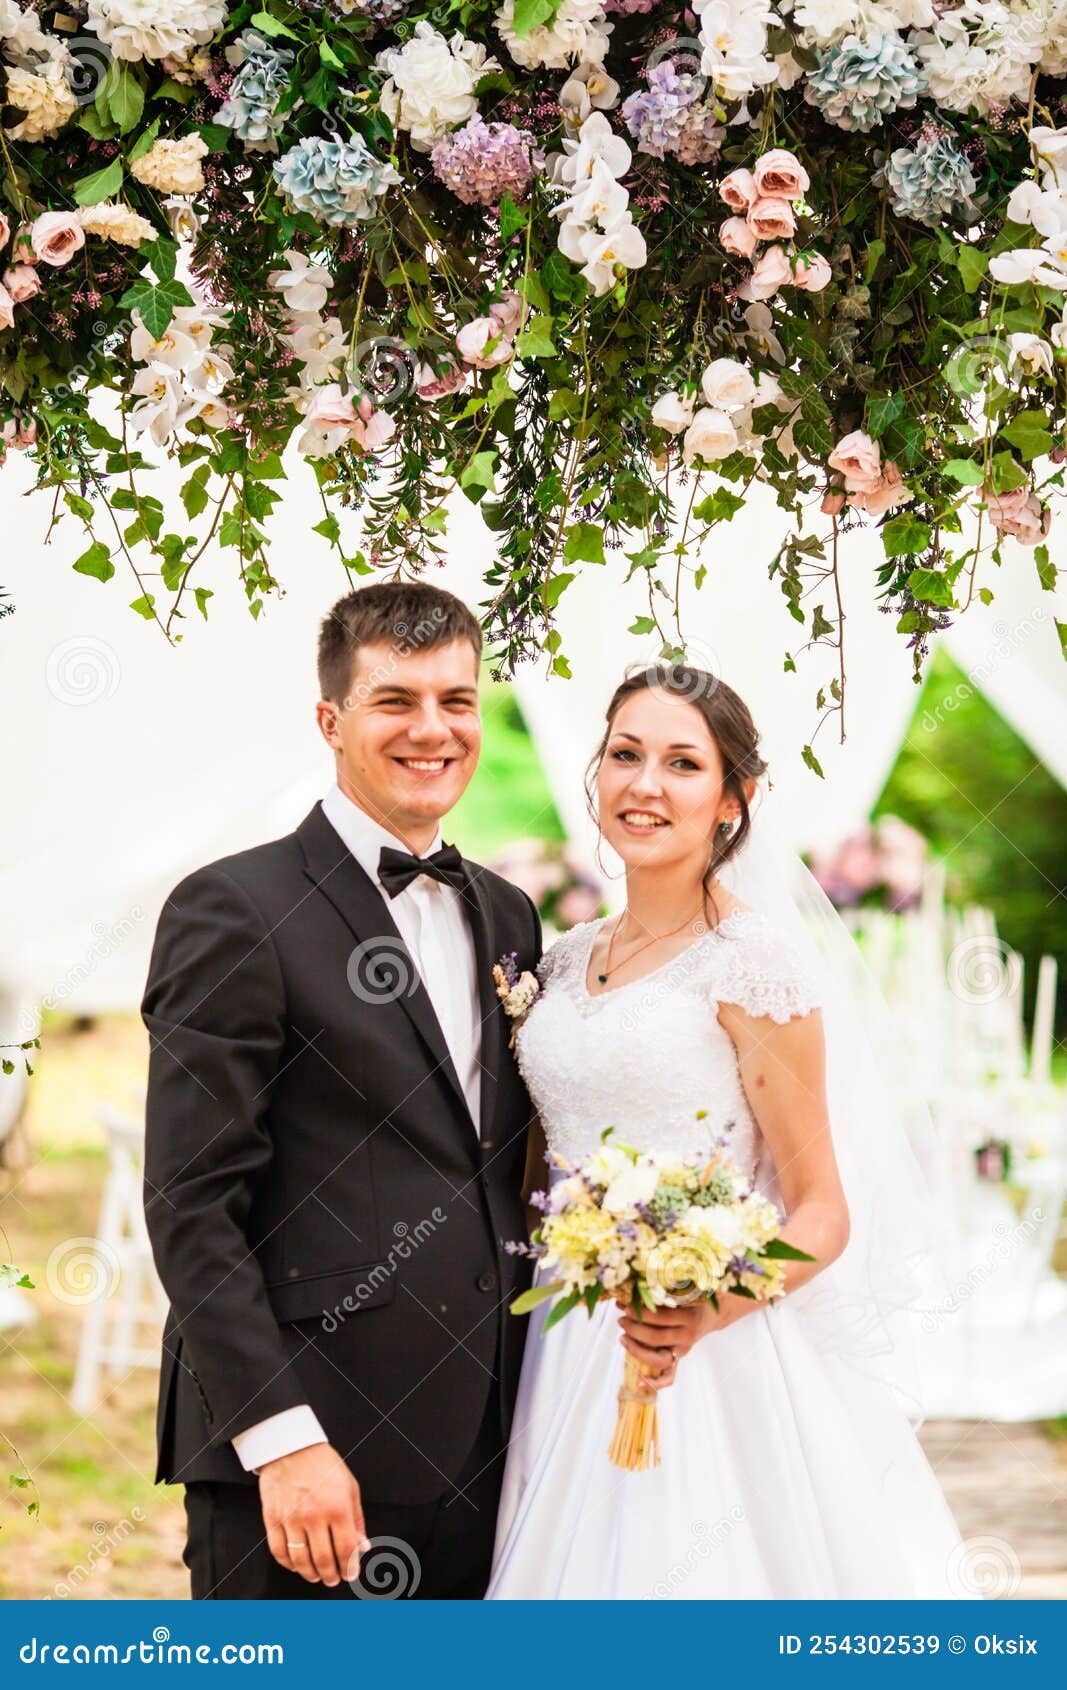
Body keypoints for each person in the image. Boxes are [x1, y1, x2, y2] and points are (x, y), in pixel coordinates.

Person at [487, 664, 971, 1600]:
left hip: (707, 1353)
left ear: (731, 799)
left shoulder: (753, 968)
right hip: (555, 1338)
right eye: (624, 755)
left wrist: (700, 1313)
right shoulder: (560, 957)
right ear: (595, 774)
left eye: (681, 763)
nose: (644, 786)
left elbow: (823, 1212)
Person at [142, 581, 539, 1599]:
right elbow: (191, 1203)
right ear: (331, 719)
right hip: (311, 1455)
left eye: (456, 699)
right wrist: (281, 1441)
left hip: (494, 1450)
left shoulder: (507, 915)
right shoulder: (233, 908)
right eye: (395, 700)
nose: (432, 728)